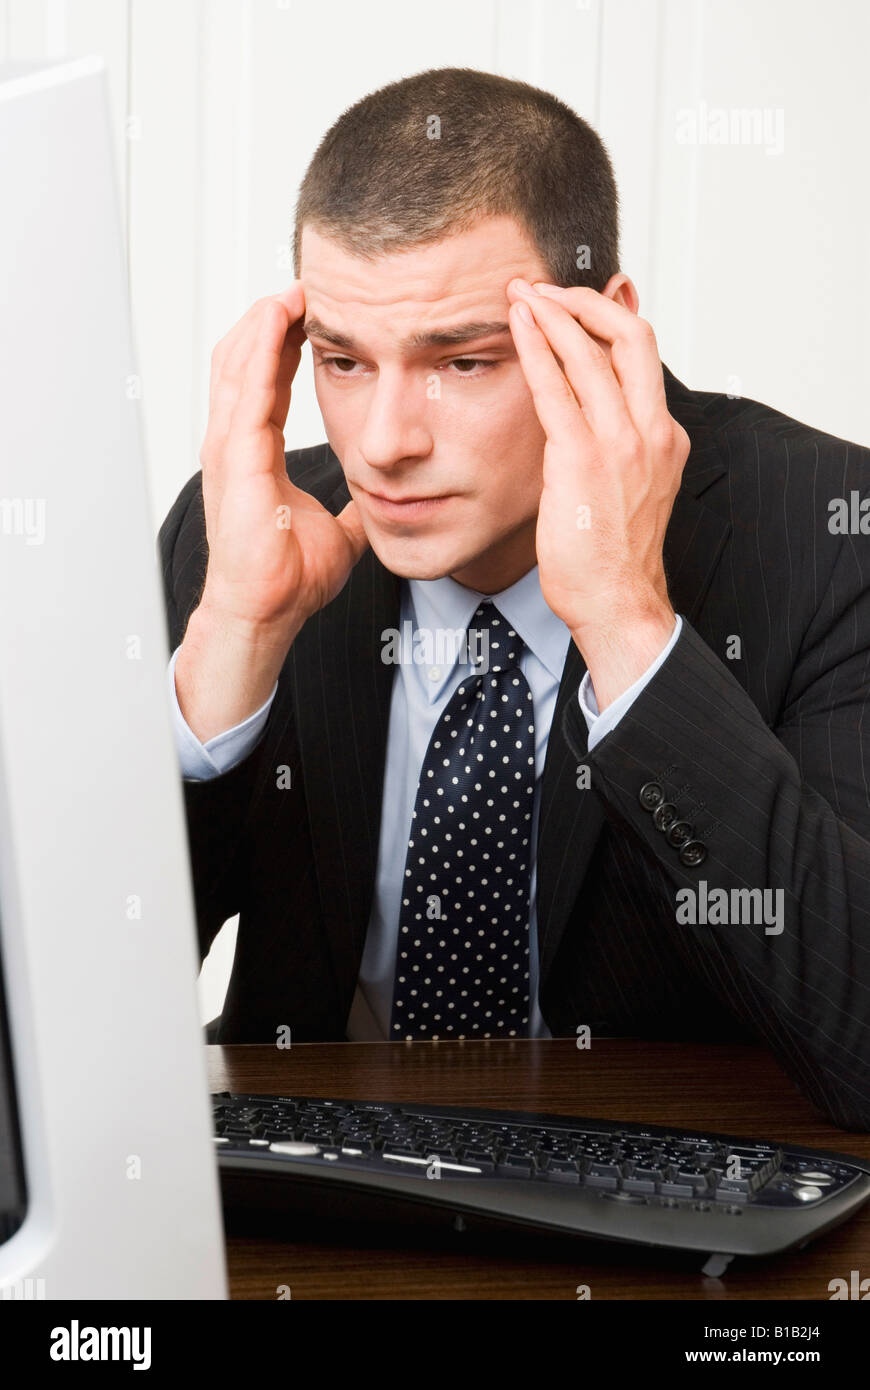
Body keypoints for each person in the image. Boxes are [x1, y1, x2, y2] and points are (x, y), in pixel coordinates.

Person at [159, 67, 870, 1130]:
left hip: (673, 1234)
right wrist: (236, 641)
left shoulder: (826, 535)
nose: (387, 441)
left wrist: (630, 627)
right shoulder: (250, 529)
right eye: (344, 361)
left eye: (465, 359)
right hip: (305, 1223)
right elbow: (58, 1032)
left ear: (602, 328)